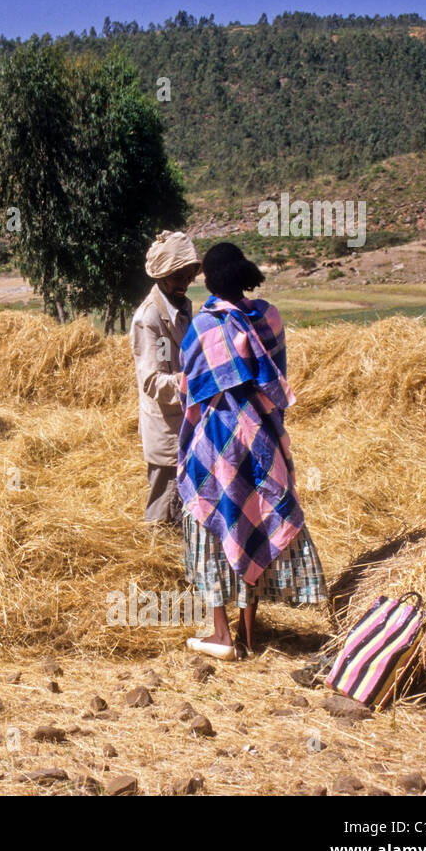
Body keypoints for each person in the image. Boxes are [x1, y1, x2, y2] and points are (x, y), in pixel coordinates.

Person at [177, 242, 327, 660]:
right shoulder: (269, 317)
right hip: (262, 440)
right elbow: (276, 376)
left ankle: (222, 636)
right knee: (255, 519)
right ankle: (249, 634)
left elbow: (191, 388)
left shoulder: (206, 326)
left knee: (216, 524)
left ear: (208, 278)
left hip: (219, 443)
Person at [130, 231, 201, 525]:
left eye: (188, 275)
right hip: (166, 427)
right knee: (164, 506)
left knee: (183, 505)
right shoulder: (150, 318)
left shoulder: (183, 307)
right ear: (161, 276)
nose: (184, 282)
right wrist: (195, 380)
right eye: (177, 276)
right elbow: (153, 381)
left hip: (185, 420)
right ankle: (155, 562)